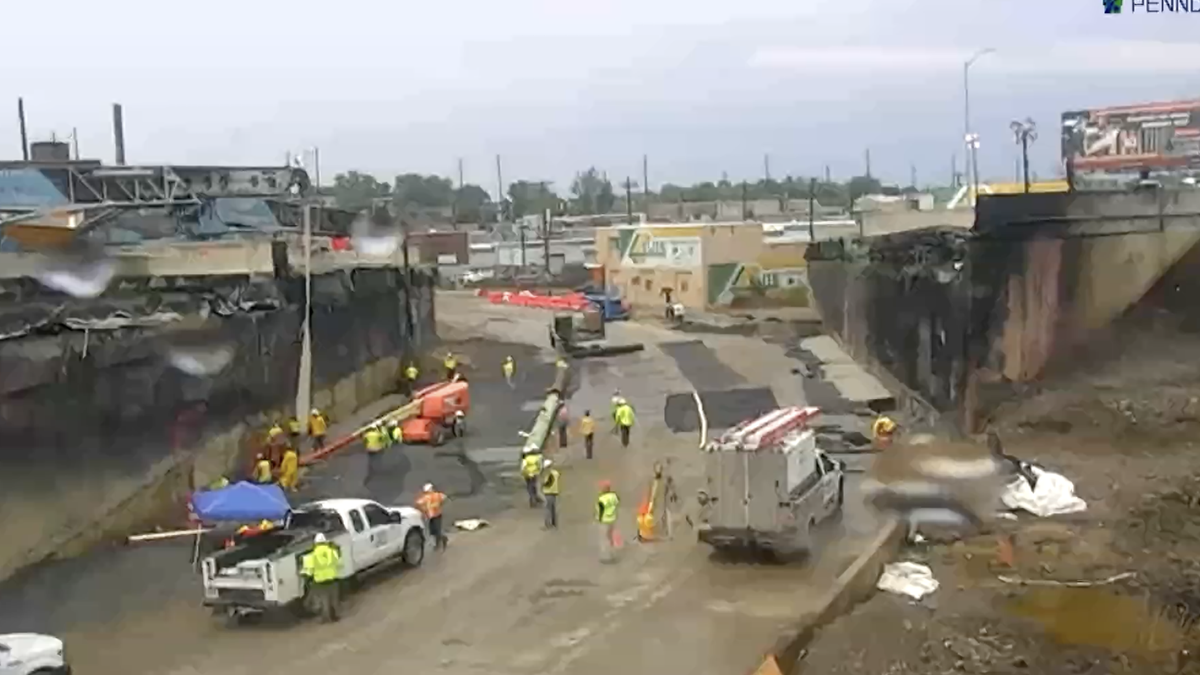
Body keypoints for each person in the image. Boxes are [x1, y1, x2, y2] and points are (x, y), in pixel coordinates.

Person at [300, 533, 342, 622]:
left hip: (320, 581)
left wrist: (304, 574)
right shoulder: (332, 551)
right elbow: (339, 563)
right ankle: (335, 616)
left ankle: (326, 618)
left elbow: (309, 570)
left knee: (324, 600)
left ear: (315, 543)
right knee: (333, 599)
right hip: (332, 579)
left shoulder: (312, 555)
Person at [415, 483, 448, 551]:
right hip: (434, 515)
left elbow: (418, 503)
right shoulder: (437, 495)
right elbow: (444, 498)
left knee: (436, 530)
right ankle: (440, 541)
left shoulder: (427, 497)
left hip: (434, 516)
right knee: (434, 531)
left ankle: (440, 542)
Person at [596, 480, 621, 562]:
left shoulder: (602, 499)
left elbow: (601, 511)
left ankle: (606, 556)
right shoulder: (614, 496)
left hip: (604, 520)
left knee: (604, 538)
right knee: (610, 537)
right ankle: (612, 554)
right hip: (612, 519)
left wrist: (599, 519)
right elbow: (617, 501)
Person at [541, 459, 561, 529]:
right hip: (555, 492)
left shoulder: (549, 474)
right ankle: (554, 523)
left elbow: (548, 483)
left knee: (547, 509)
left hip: (548, 492)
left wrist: (543, 485)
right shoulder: (556, 473)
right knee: (553, 509)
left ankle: (547, 524)